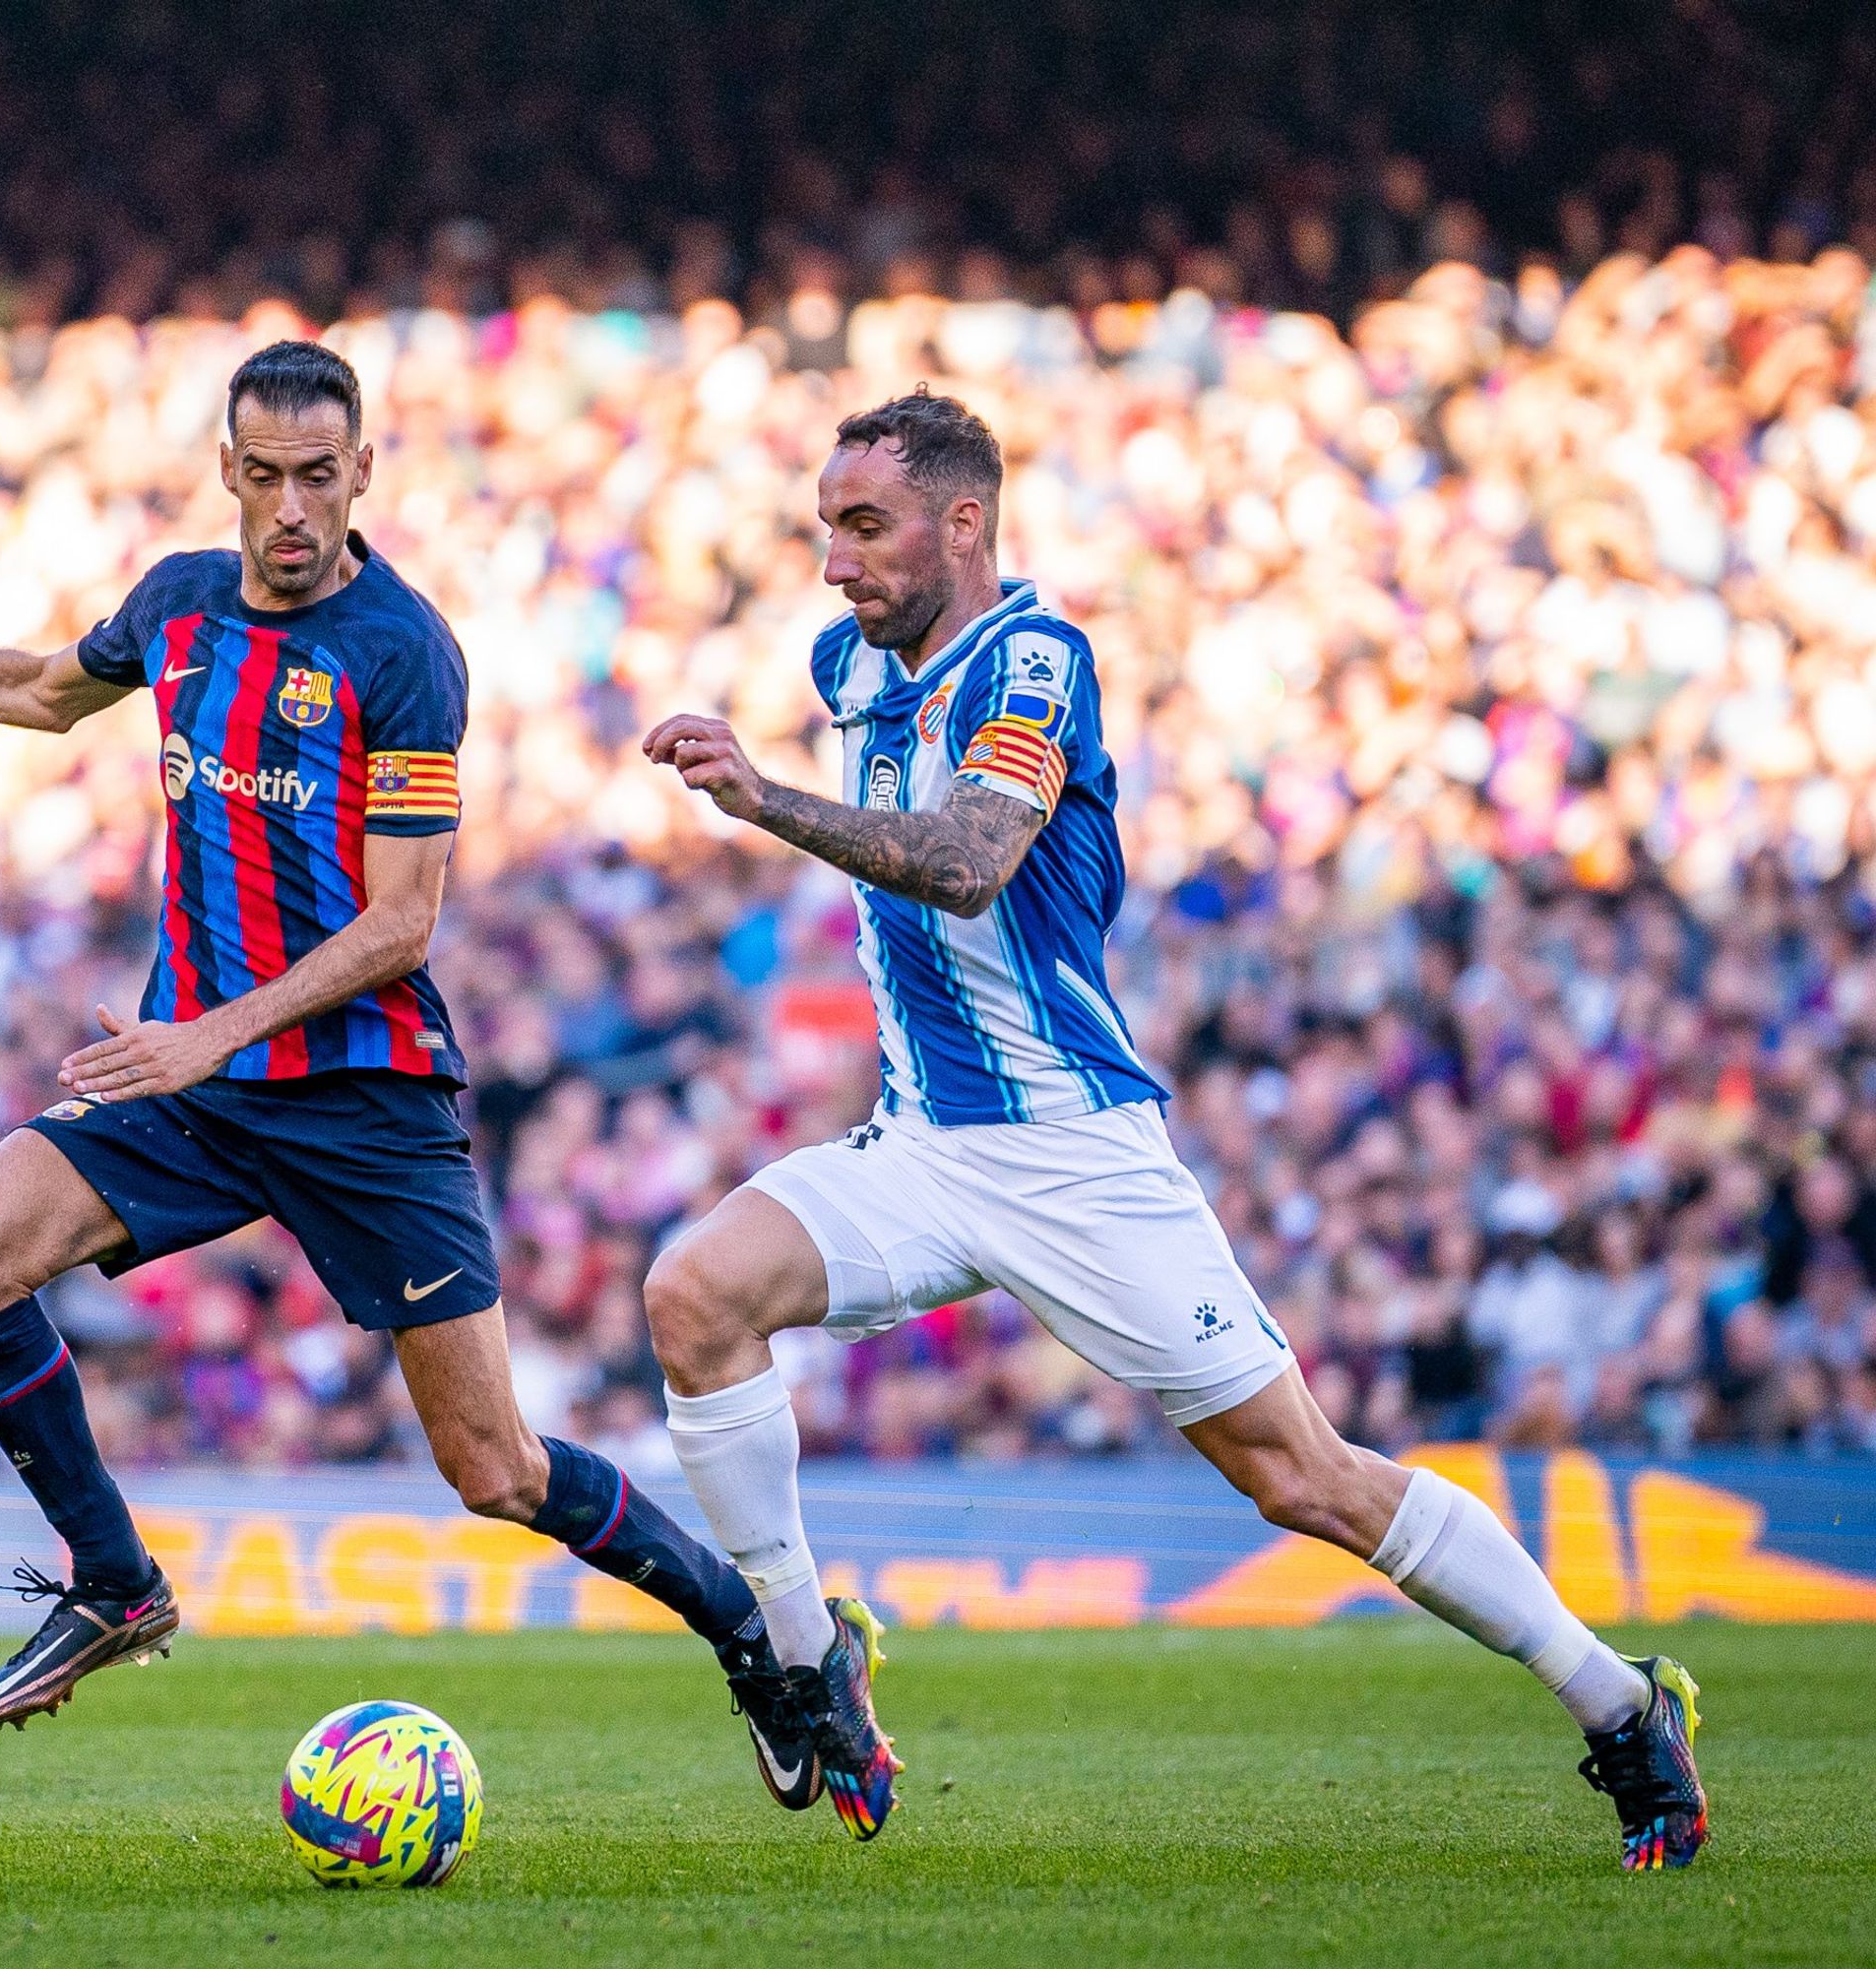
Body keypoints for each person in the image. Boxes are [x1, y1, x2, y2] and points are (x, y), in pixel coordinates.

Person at [640, 387, 1709, 1869]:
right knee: (693, 1295)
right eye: (826, 529)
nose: (835, 563)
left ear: (965, 522)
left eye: (866, 527)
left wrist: (763, 800)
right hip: (924, 1146)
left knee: (1303, 1478)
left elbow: (965, 867)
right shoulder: (847, 661)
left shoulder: (1040, 660)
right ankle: (811, 1662)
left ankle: (1621, 1708)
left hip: (1077, 1152)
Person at [0, 341, 788, 1747]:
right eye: (263, 478)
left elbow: (404, 923)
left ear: (363, 471)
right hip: (195, 1082)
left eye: (319, 477)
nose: (291, 510)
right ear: (227, 472)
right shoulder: (182, 604)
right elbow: (37, 689)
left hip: (359, 1095)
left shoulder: (404, 652)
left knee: (495, 1469)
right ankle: (116, 1581)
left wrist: (213, 1036)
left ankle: (752, 1635)